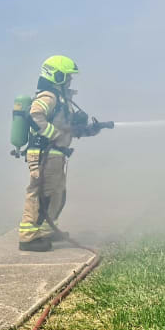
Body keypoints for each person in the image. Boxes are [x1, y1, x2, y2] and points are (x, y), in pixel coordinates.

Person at [18, 55, 103, 252]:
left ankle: (47, 230)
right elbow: (34, 115)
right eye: (67, 76)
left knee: (57, 193)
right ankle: (28, 237)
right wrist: (53, 134)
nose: (70, 80)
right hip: (45, 155)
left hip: (56, 155)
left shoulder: (62, 100)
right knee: (41, 194)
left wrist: (91, 130)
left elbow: (67, 129)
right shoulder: (49, 97)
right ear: (56, 76)